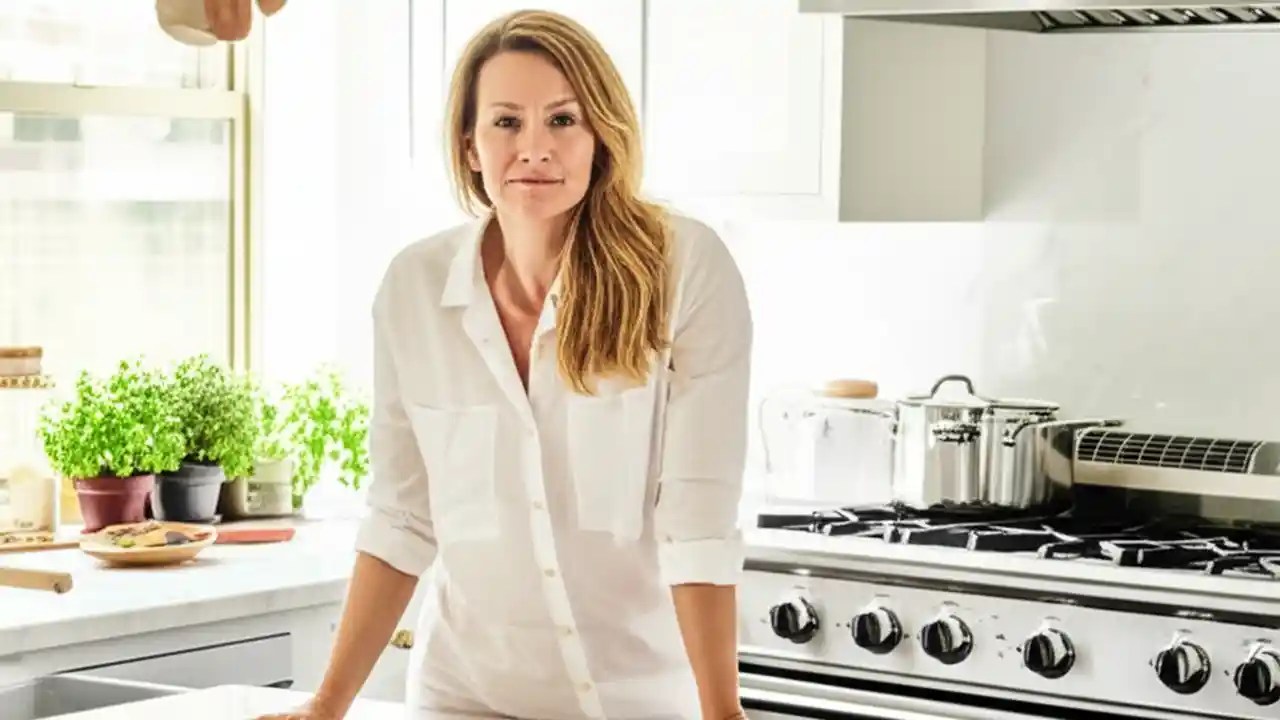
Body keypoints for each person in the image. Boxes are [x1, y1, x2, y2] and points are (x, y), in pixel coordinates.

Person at [260, 9, 752, 719]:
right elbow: (401, 518)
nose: (535, 148)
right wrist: (326, 706)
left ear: (601, 136)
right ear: (469, 146)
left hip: (639, 703)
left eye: (562, 120)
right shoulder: (415, 288)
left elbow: (697, 524)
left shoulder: (683, 268)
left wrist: (723, 712)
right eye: (506, 122)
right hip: (465, 698)